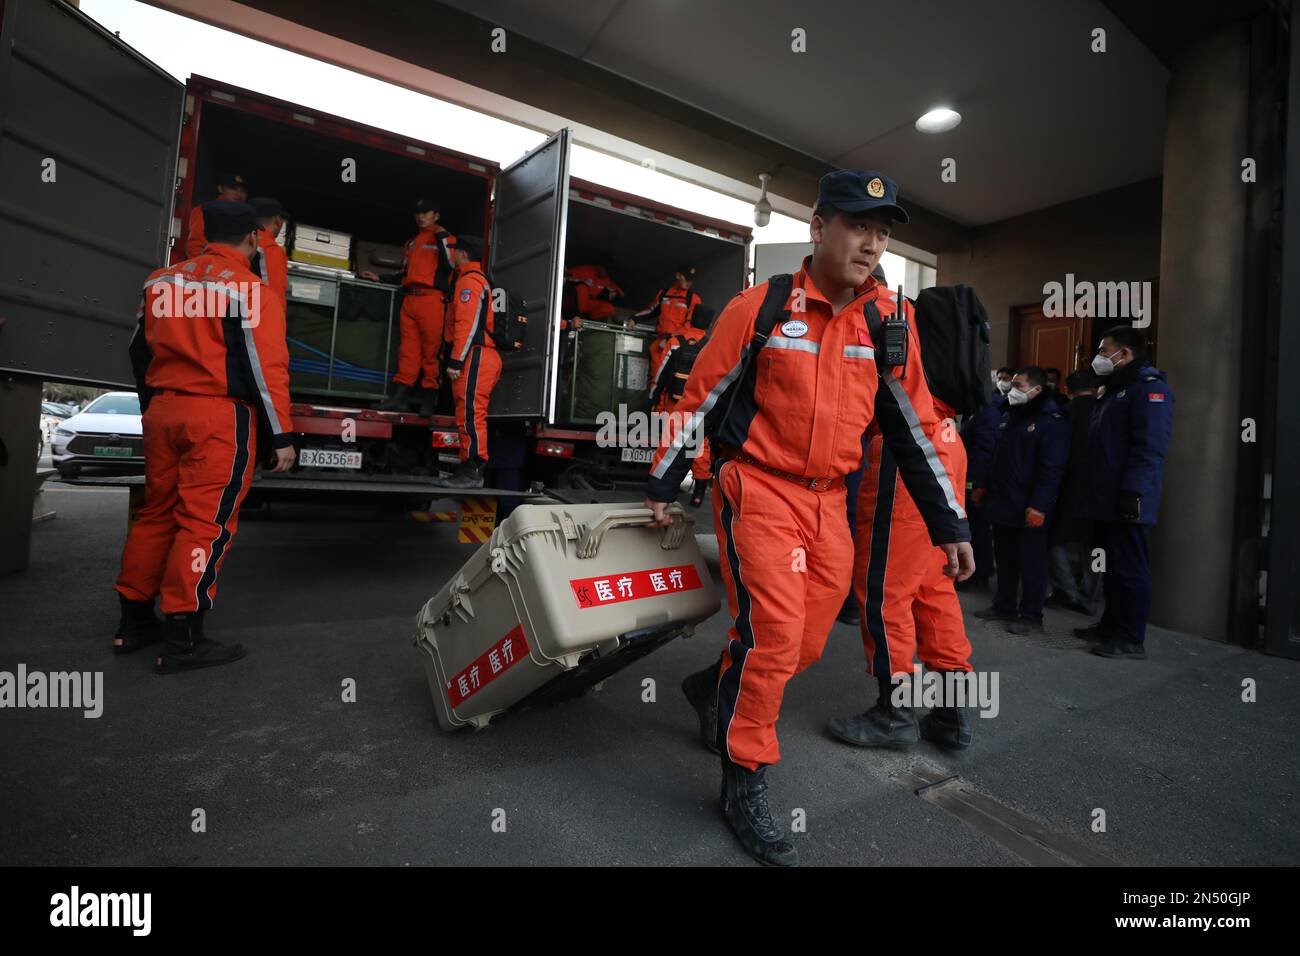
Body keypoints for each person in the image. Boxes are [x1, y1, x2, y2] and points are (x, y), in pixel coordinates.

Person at [646, 169, 972, 867]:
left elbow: (914, 430)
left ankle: (710, 688)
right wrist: (670, 481)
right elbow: (700, 400)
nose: (872, 243)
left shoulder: (889, 322)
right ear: (820, 227)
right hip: (759, 488)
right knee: (772, 637)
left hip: (830, 503)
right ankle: (744, 780)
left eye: (882, 232)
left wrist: (951, 524)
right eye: (859, 225)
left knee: (807, 644)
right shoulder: (761, 308)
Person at [114, 201, 296, 673]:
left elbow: (138, 350)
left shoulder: (160, 281)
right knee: (204, 523)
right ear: (254, 239)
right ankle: (183, 639)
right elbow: (265, 368)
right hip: (216, 417)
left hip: (164, 409)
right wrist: (282, 435)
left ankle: (133, 623)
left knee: (156, 514)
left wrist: (151, 405)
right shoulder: (250, 289)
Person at [829, 394, 976, 750]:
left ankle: (894, 715)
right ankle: (949, 714)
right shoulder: (950, 352)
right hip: (944, 438)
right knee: (934, 591)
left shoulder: (902, 342)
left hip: (905, 441)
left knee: (885, 593)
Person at [1072, 327, 1174, 659]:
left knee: (1131, 567)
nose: (1098, 358)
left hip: (1129, 497)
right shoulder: (1115, 390)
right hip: (1105, 496)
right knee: (1113, 566)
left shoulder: (1149, 390)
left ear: (1125, 354)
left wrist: (1134, 493)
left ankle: (1131, 638)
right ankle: (1110, 626)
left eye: (1104, 351)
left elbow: (1149, 448)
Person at [972, 366, 1069, 633]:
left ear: (1037, 389)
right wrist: (983, 487)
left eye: (1019, 385)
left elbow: (1052, 469)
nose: (1012, 389)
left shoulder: (1052, 422)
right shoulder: (1010, 416)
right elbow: (996, 458)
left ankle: (1031, 616)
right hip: (1003, 500)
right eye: (1011, 384)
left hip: (1029, 504)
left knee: (1032, 562)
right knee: (1005, 558)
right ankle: (1004, 605)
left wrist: (1039, 505)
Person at [363, 197, 456, 417]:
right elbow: (405, 274)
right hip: (410, 300)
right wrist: (381, 279)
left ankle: (428, 400)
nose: (421, 217)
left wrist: (441, 235)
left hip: (432, 300)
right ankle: (399, 398)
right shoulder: (412, 242)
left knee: (431, 352)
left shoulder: (446, 238)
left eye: (426, 212)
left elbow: (451, 265)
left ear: (436, 216)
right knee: (407, 351)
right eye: (418, 213)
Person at [437, 236, 499, 489]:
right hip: (478, 355)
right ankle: (468, 468)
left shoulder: (469, 282)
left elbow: (468, 324)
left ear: (462, 254)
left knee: (472, 414)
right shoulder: (473, 280)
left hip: (477, 355)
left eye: (453, 251)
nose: (450, 255)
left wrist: (456, 360)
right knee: (468, 414)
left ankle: (473, 470)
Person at [648, 304, 716, 507]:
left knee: (670, 443)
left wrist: (653, 398)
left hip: (675, 403)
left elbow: (661, 372)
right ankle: (698, 494)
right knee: (699, 446)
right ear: (709, 323)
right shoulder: (710, 344)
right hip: (699, 404)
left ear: (691, 318)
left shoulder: (676, 341)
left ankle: (663, 492)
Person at [1047, 369, 1101, 614]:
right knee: (1094, 545)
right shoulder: (1105, 410)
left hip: (1068, 486)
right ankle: (1091, 595)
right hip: (1100, 489)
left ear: (1067, 389)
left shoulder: (1065, 414)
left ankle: (1068, 590)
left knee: (1055, 540)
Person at [956, 366, 1013, 591]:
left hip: (977, 481)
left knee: (978, 529)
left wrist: (975, 483)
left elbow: (984, 451)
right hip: (970, 478)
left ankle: (979, 574)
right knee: (974, 526)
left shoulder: (986, 413)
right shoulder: (975, 411)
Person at [635, 266, 703, 390]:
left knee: (672, 381)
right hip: (659, 343)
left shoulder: (693, 299)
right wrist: (634, 319)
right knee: (656, 380)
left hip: (677, 345)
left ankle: (663, 407)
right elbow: (651, 310)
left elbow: (689, 326)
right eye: (686, 278)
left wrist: (670, 339)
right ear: (678, 275)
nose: (689, 283)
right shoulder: (664, 293)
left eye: (691, 280)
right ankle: (655, 407)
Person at [185, 171, 247, 258]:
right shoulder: (205, 210)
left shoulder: (245, 215)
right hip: (211, 266)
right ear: (220, 188)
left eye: (243, 191)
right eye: (233, 188)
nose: (239, 194)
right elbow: (195, 246)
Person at [249, 197, 288, 304]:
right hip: (257, 314)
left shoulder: (239, 240)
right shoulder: (272, 250)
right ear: (277, 220)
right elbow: (276, 296)